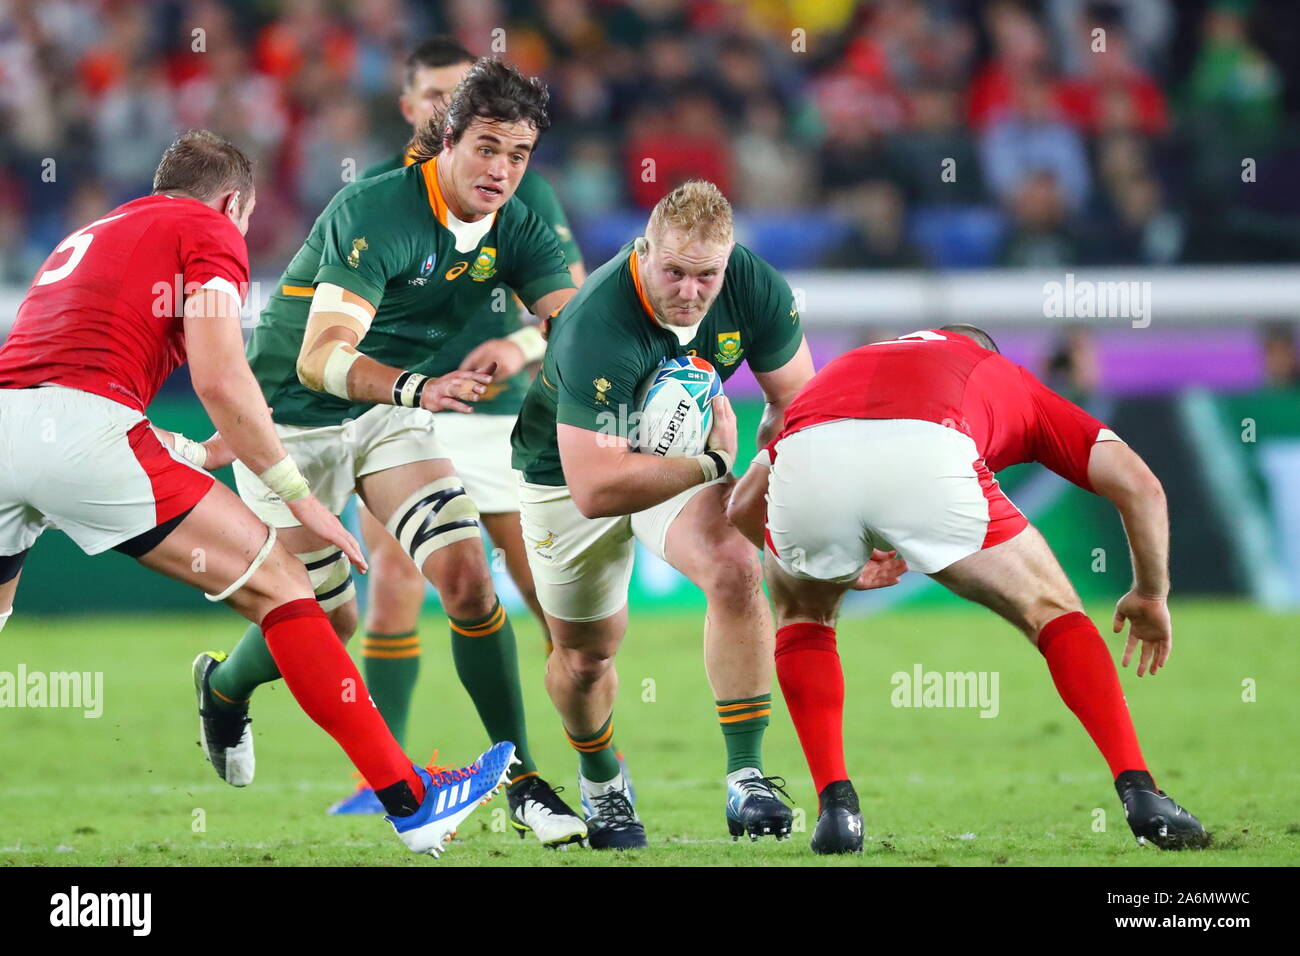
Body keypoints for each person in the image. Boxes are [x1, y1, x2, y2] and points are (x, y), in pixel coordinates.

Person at [0, 131, 510, 857]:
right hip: (84, 429)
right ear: (233, 201)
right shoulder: (207, 228)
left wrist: (202, 451)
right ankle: (412, 799)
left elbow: (66, 381)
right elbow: (218, 378)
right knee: (282, 585)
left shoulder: (97, 231)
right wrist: (300, 498)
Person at [196, 59, 588, 847]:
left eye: (518, 156)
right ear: (448, 138)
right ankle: (224, 688)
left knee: (469, 579)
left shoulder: (517, 224)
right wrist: (421, 389)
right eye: (486, 149)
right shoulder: (375, 210)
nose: (502, 171)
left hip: (387, 415)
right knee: (326, 623)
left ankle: (522, 778)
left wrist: (657, 380)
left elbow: (575, 325)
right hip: (289, 421)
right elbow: (319, 359)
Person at [726, 325, 1210, 854]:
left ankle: (836, 811)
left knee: (803, 615)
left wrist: (818, 563)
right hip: (931, 456)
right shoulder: (1003, 375)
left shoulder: (840, 373)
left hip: (809, 461)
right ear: (981, 349)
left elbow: (741, 507)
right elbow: (1141, 485)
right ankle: (1140, 792)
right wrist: (1149, 594)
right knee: (1051, 609)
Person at [327, 37, 589, 821]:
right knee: (396, 584)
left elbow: (568, 313)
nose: (449, 104)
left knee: (546, 594)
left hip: (501, 416)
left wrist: (517, 345)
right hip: (402, 417)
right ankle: (385, 775)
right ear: (415, 112)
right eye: (436, 94)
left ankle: (593, 764)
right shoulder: (376, 199)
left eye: (461, 90)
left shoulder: (522, 192)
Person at [510, 180, 816, 848]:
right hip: (567, 477)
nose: (689, 290)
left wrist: (775, 471)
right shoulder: (598, 320)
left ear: (728, 264)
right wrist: (714, 463)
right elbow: (595, 488)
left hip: (679, 459)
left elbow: (800, 405)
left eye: (706, 275)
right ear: (644, 252)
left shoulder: (755, 287)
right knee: (587, 657)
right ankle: (601, 781)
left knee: (737, 569)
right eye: (673, 271)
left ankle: (747, 777)